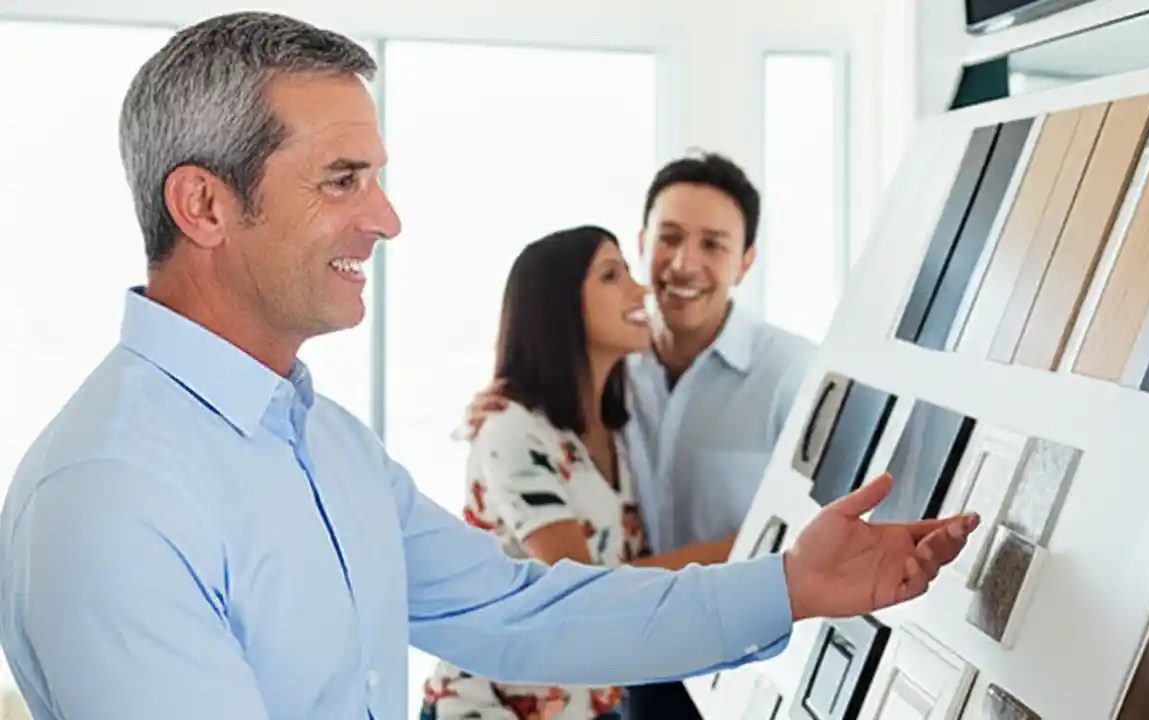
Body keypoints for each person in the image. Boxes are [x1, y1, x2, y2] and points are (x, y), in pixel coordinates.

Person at [0, 12, 979, 720]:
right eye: (344, 181)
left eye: (378, 179)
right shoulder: (107, 497)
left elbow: (519, 610)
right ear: (204, 207)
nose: (385, 219)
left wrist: (787, 587)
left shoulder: (327, 446)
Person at [465, 153, 820, 718]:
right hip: (615, 670)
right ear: (644, 241)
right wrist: (751, 554)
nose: (684, 264)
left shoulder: (794, 372)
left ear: (746, 262)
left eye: (714, 244)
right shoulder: (614, 377)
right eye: (669, 238)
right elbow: (574, 577)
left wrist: (775, 560)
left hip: (743, 657)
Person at [422, 225, 739, 719]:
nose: (640, 291)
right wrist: (728, 554)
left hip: (589, 705)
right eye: (612, 276)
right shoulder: (511, 429)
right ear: (560, 307)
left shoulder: (609, 431)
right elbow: (579, 587)